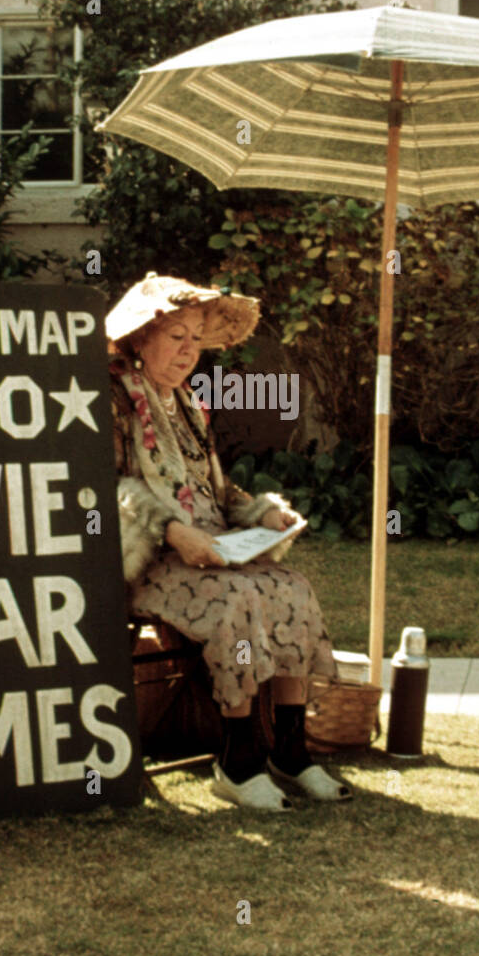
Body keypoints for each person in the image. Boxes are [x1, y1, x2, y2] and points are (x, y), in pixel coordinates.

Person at [106, 271, 352, 811]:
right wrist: (173, 531)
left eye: (196, 337)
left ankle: (290, 750)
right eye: (176, 336)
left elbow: (216, 491)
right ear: (140, 338)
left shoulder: (188, 405)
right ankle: (238, 761)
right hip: (152, 560)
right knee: (236, 601)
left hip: (211, 549)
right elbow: (105, 487)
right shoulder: (116, 400)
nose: (189, 349)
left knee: (293, 589)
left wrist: (264, 514)